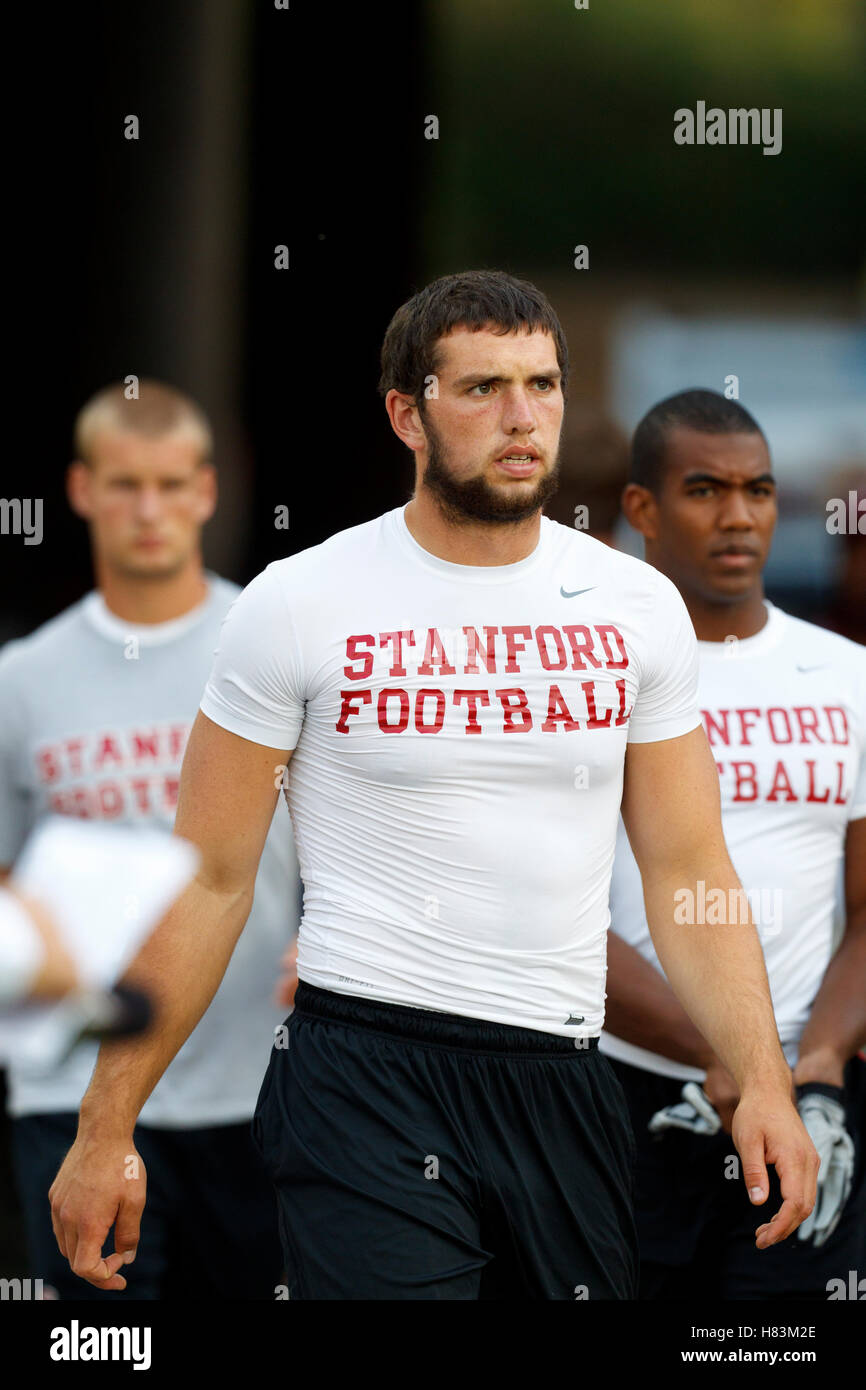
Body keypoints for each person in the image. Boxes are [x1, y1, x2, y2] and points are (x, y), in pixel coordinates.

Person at [48, 273, 817, 1301]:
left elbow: (686, 869)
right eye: (483, 388)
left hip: (560, 1075)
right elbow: (209, 880)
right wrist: (107, 1127)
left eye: (541, 385)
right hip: (361, 1070)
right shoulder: (299, 602)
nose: (520, 417)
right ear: (406, 414)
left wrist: (762, 1079)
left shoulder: (636, 609)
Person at [0, 381, 300, 1299]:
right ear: (81, 491)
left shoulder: (274, 642)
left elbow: (365, 838)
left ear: (209, 492)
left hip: (255, 1082)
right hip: (70, 1091)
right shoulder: (22, 677)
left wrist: (328, 938)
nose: (149, 510)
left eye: (172, 485)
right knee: (100, 1346)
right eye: (125, 485)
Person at [600, 389, 866, 1299]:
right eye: (704, 489)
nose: (738, 516)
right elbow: (544, 919)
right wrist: (714, 1057)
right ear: (642, 509)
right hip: (631, 1096)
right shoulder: (596, 679)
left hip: (807, 1101)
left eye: (758, 491)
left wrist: (818, 1069)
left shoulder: (847, 676)